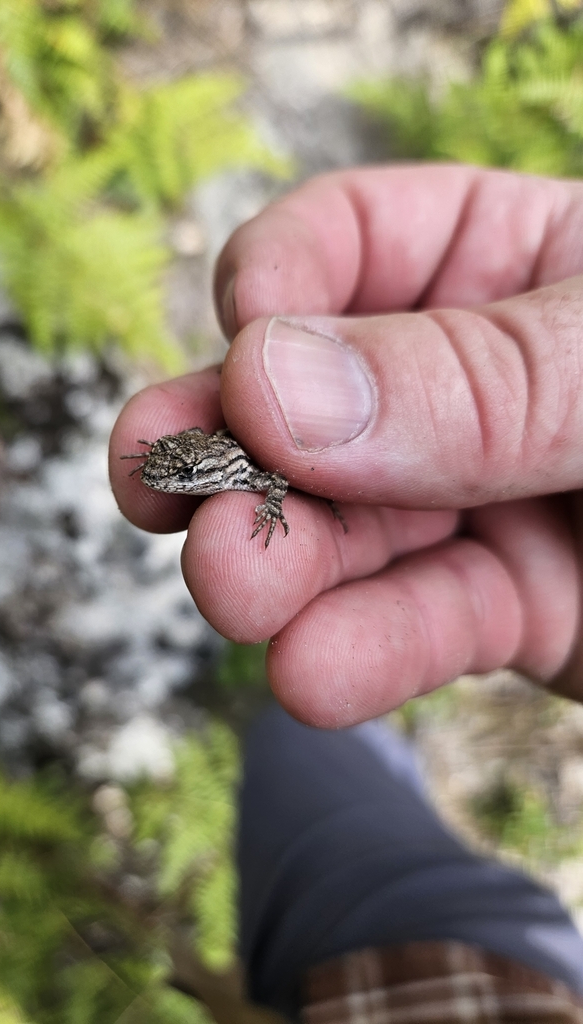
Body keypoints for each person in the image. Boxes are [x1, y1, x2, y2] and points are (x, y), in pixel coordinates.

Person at [109, 165, 583, 1020]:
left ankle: (368, 738)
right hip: (514, 970)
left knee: (301, 746)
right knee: (310, 734)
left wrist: (462, 392)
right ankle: (376, 737)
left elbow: (262, 473)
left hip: (449, 965)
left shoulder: (244, 462)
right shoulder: (214, 460)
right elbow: (233, 467)